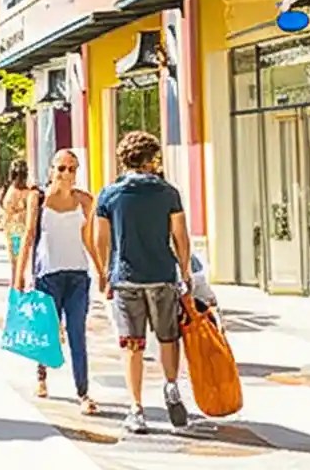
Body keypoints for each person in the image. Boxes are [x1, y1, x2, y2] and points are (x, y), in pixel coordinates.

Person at [93, 131, 193, 434]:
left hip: (126, 278)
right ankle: (171, 387)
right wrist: (185, 271)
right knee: (167, 338)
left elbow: (100, 239)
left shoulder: (109, 194)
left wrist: (104, 274)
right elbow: (181, 236)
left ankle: (136, 409)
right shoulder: (168, 193)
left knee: (132, 344)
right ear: (151, 159)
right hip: (162, 276)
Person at [13, 150, 100, 415]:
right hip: (47, 276)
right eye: (61, 168)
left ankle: (83, 393)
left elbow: (88, 238)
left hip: (77, 276)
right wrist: (18, 275)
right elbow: (28, 236)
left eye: (72, 169)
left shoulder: (85, 201)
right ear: (51, 170)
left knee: (77, 334)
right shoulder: (37, 199)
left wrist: (101, 270)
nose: (66, 174)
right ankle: (41, 376)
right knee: (47, 331)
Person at [0, 159, 33, 284]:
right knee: (18, 262)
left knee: (16, 262)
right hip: (17, 230)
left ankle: (16, 286)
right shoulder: (25, 192)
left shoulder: (8, 190)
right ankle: (17, 286)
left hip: (13, 229)